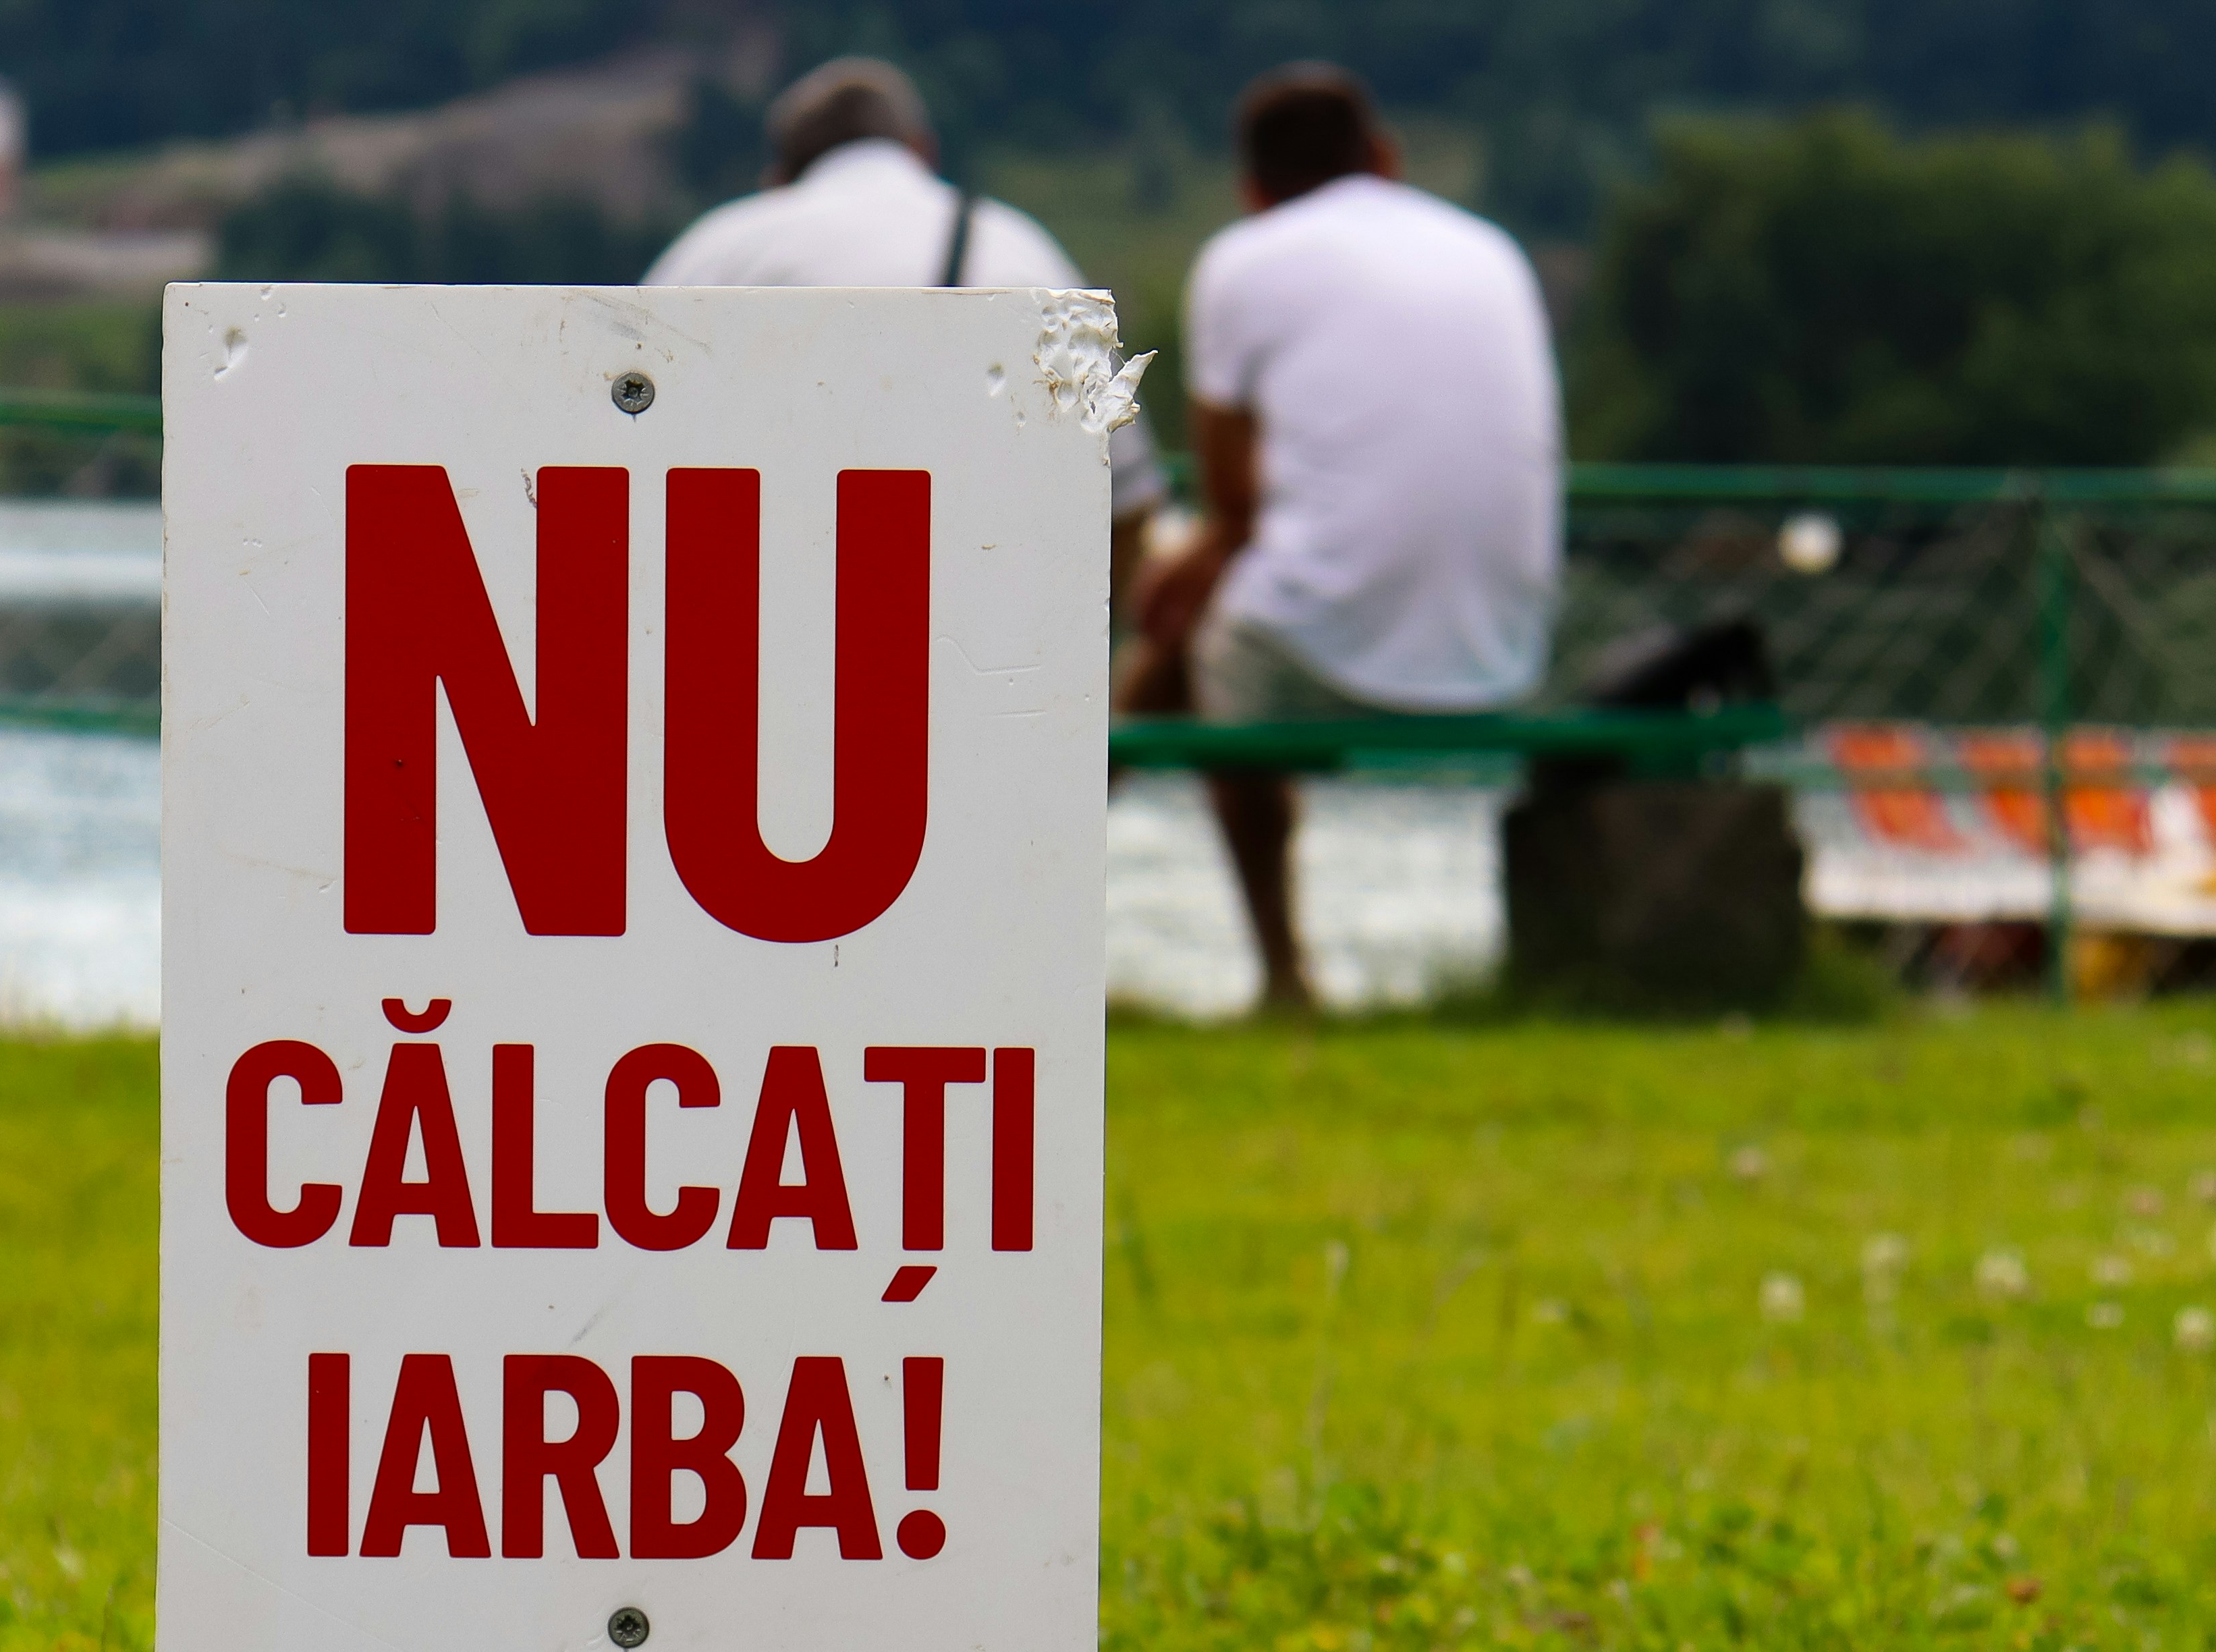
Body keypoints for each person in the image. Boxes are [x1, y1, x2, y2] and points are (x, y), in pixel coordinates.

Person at [1131, 63, 1563, 1014]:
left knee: (1199, 646)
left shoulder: (1242, 263)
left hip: (1334, 656)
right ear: (1386, 158)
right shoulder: (1492, 250)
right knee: (1204, 630)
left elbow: (1233, 513)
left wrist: (1177, 569)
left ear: (1252, 191)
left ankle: (1283, 971)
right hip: (1506, 649)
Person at [647, 57, 1165, 590]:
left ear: (778, 178)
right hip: (980, 627)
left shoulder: (716, 251)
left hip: (760, 606)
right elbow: (1125, 493)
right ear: (923, 151)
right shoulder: (1018, 248)